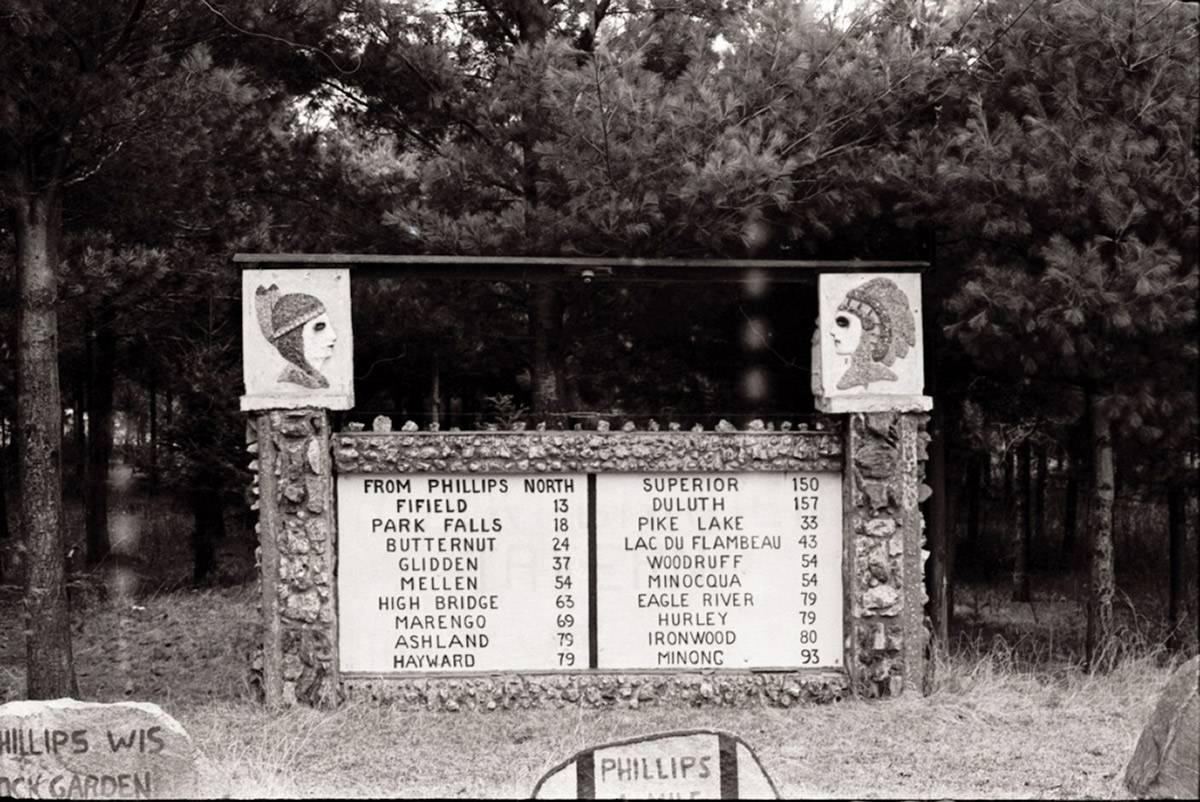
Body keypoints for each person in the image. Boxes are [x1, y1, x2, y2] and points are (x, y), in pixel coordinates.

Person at [830, 277, 915, 391]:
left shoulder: (884, 377)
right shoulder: (847, 378)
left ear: (868, 327)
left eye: (843, 323)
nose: (831, 331)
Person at [254, 284, 337, 389]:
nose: (334, 336)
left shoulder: (317, 380)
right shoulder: (291, 383)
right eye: (319, 327)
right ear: (294, 340)